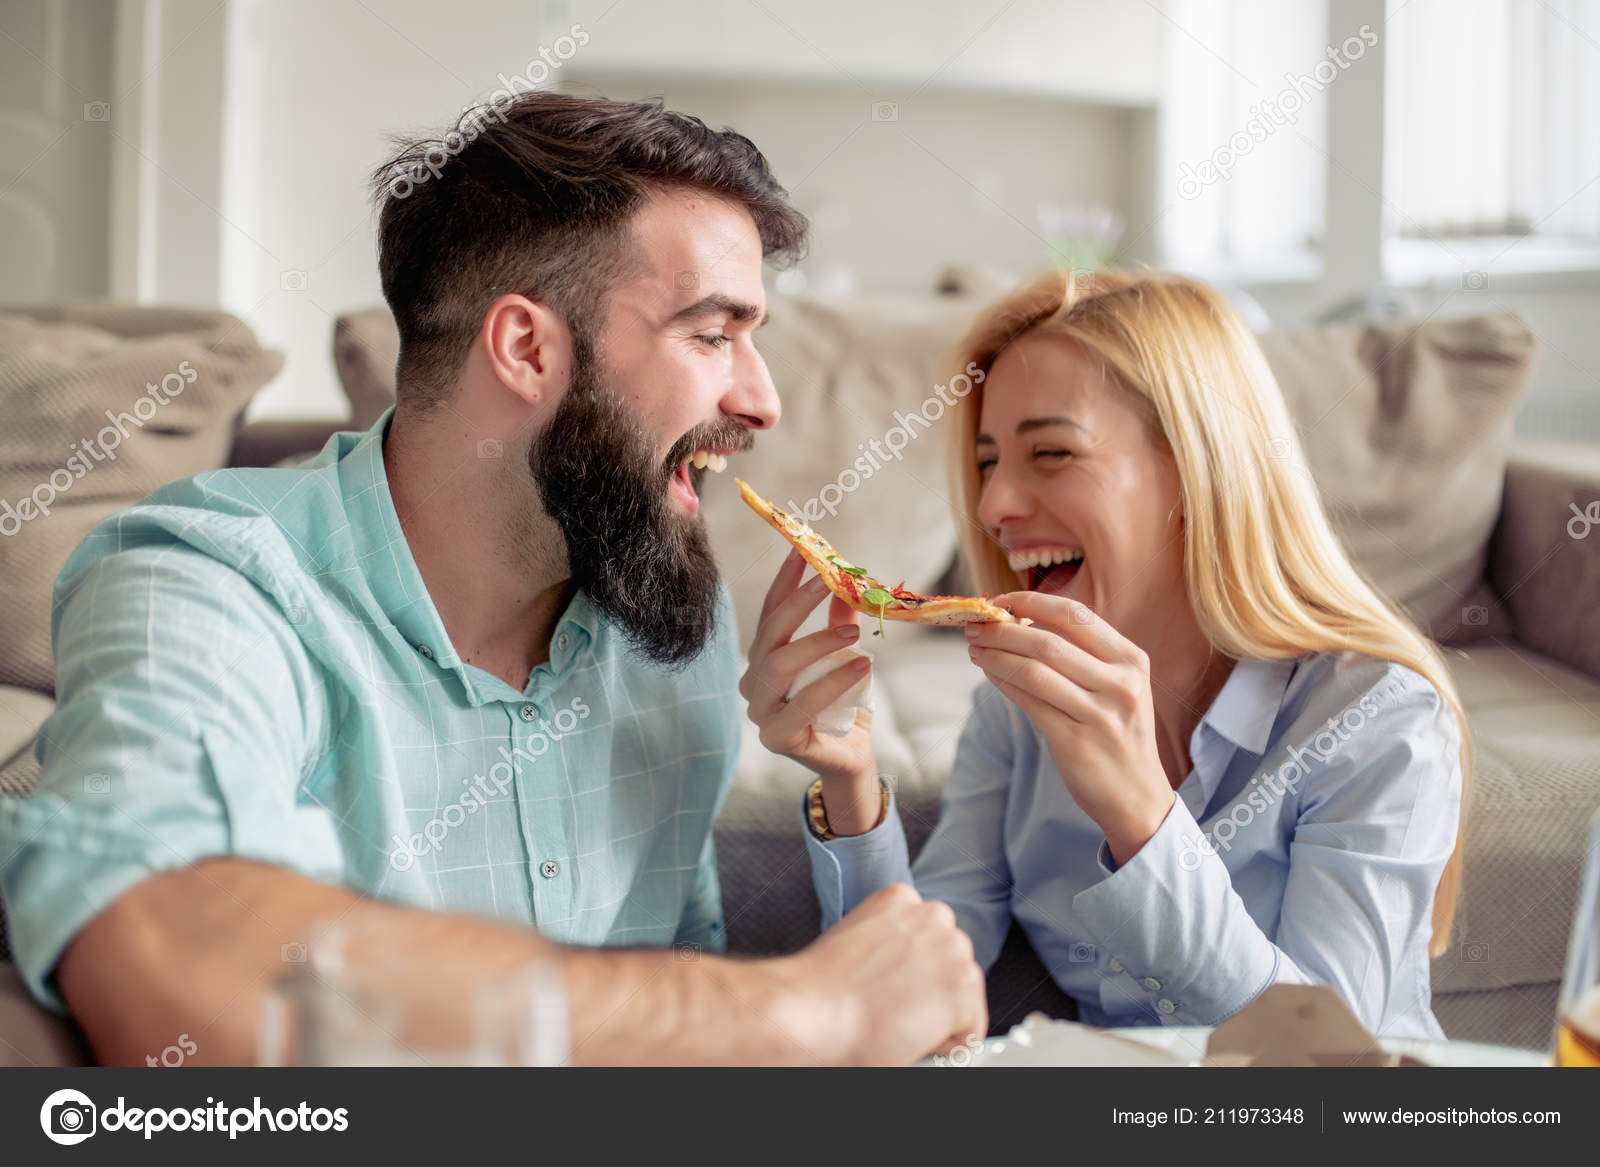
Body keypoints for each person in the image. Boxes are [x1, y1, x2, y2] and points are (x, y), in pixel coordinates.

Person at [0, 93, 984, 1066]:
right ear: (527, 348)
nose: (761, 401)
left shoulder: (668, 618)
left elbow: (677, 974)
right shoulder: (203, 588)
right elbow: (184, 976)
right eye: (712, 333)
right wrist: (796, 1014)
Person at [743, 269, 1468, 1039]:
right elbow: (910, 993)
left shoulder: (1377, 721)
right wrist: (849, 782)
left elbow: (1325, 1062)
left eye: (1050, 452)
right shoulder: (1015, 712)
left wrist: (1141, 814)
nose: (992, 508)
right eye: (988, 462)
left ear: (1197, 469)